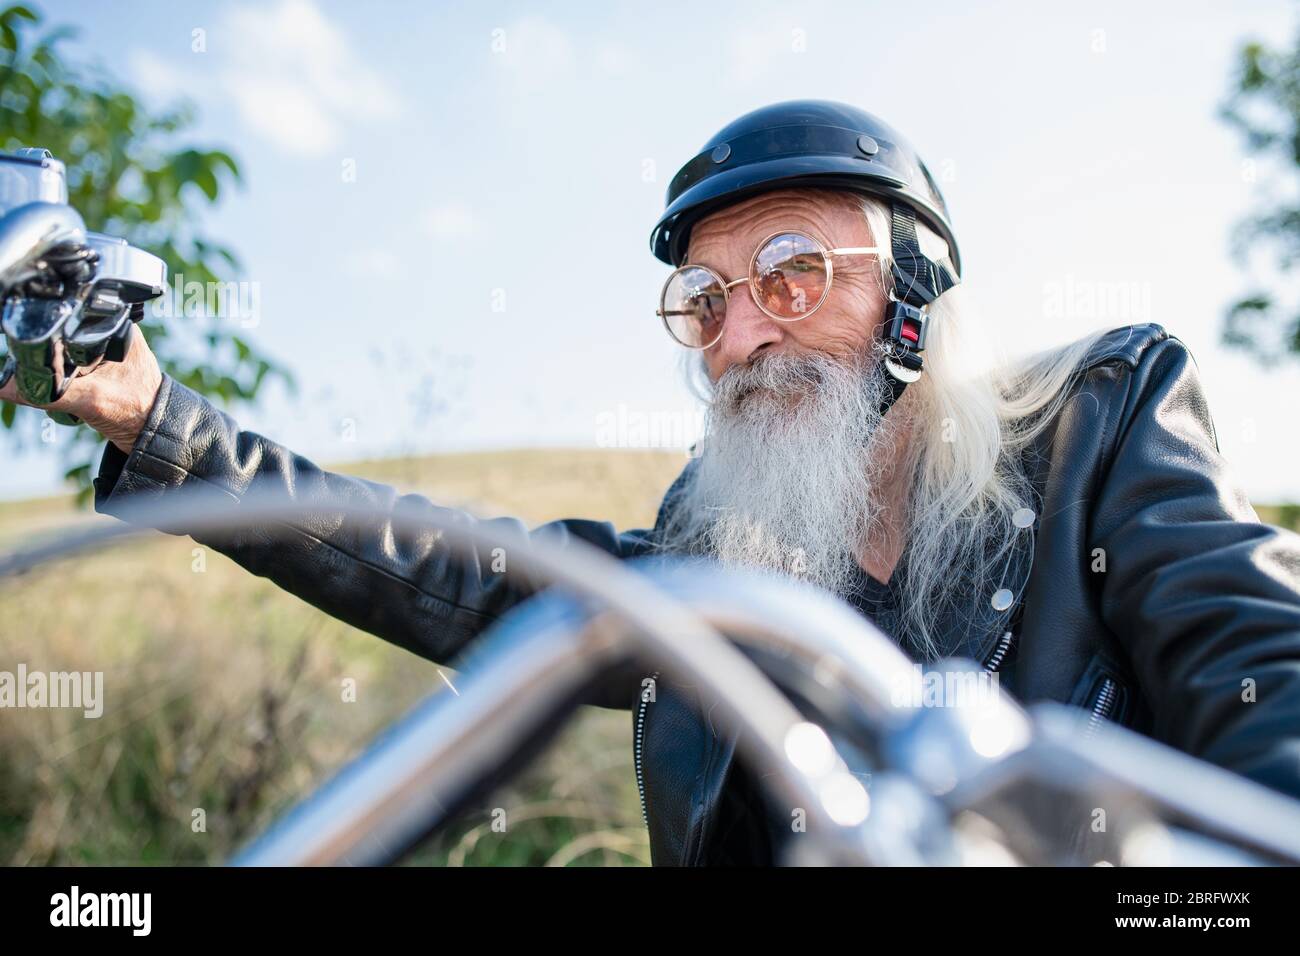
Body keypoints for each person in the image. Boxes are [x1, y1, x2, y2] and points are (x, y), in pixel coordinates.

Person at [6, 100, 1300, 866]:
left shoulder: (1100, 422)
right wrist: (154, 413)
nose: (741, 340)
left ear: (913, 290)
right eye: (704, 302)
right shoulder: (716, 544)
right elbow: (466, 576)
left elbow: (1266, 693)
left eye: (795, 273)